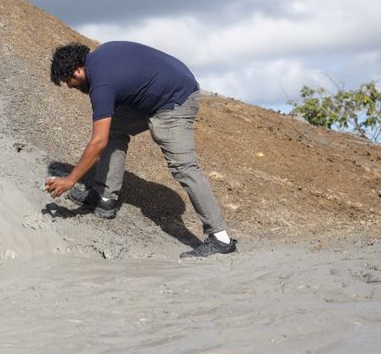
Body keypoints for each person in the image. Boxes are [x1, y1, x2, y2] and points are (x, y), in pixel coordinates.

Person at [43, 41, 236, 258]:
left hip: (177, 99)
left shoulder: (102, 84)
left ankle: (220, 238)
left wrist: (70, 179)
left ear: (77, 69)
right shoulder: (103, 55)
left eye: (70, 81)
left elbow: (98, 142)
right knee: (114, 127)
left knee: (184, 167)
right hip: (162, 90)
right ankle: (105, 198)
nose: (72, 87)